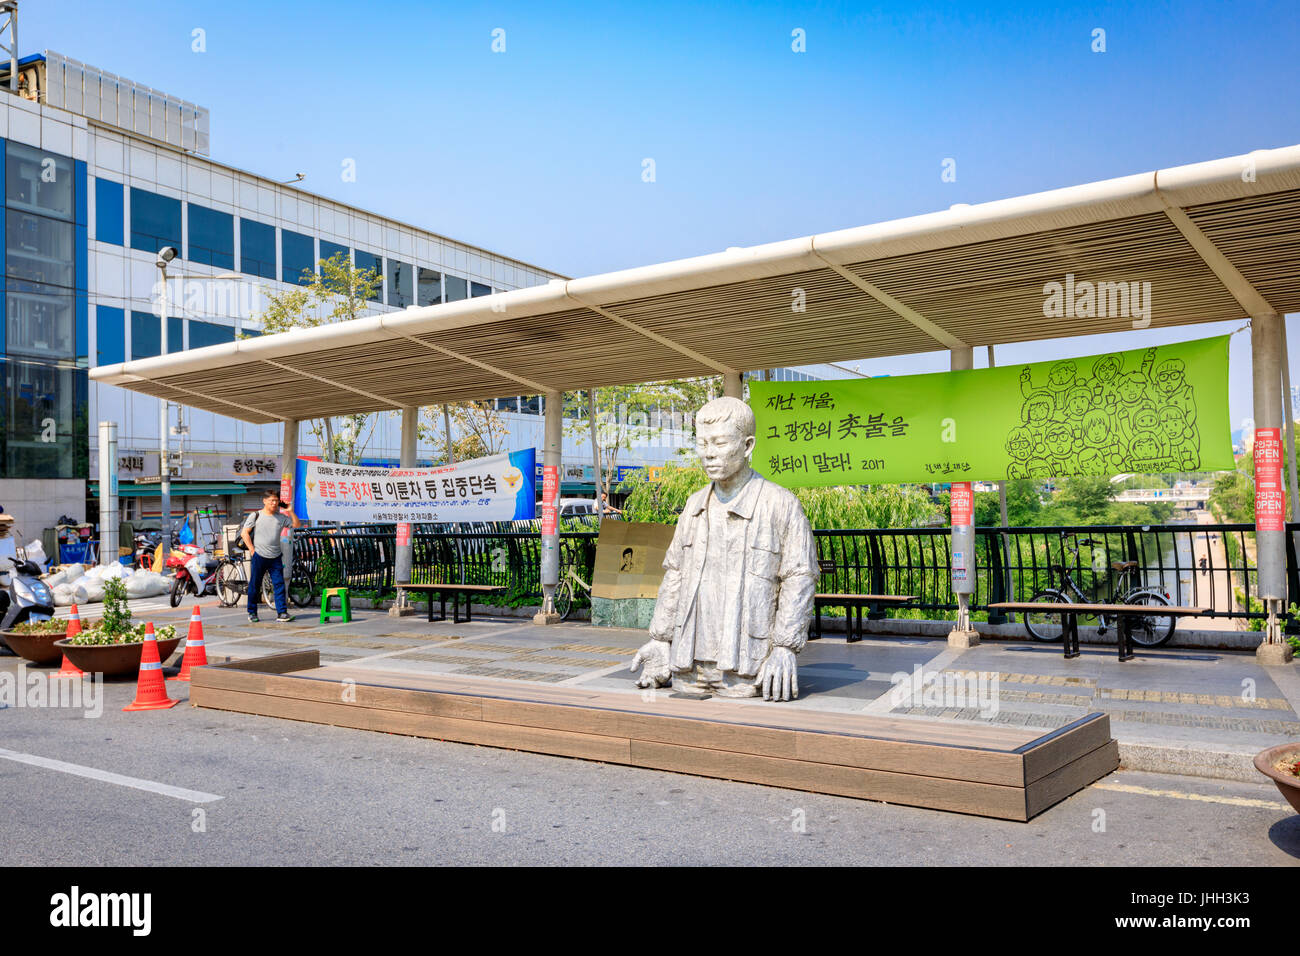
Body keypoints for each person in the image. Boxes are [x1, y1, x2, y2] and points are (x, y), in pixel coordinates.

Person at [630, 397, 817, 701]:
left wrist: (784, 648)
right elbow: (674, 574)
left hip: (746, 666)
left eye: (719, 443)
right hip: (688, 665)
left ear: (747, 446)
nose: (708, 454)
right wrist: (660, 639)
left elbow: (799, 578)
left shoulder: (780, 504)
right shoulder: (693, 506)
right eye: (702, 443)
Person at [240, 490, 301, 623]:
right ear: (265, 501)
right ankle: (252, 612)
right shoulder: (255, 515)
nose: (274, 503)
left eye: (276, 501)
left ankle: (282, 613)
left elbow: (296, 524)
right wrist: (252, 550)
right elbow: (245, 533)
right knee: (254, 585)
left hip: (276, 556)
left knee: (279, 584)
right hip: (259, 556)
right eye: (271, 500)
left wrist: (290, 510)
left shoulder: (280, 517)